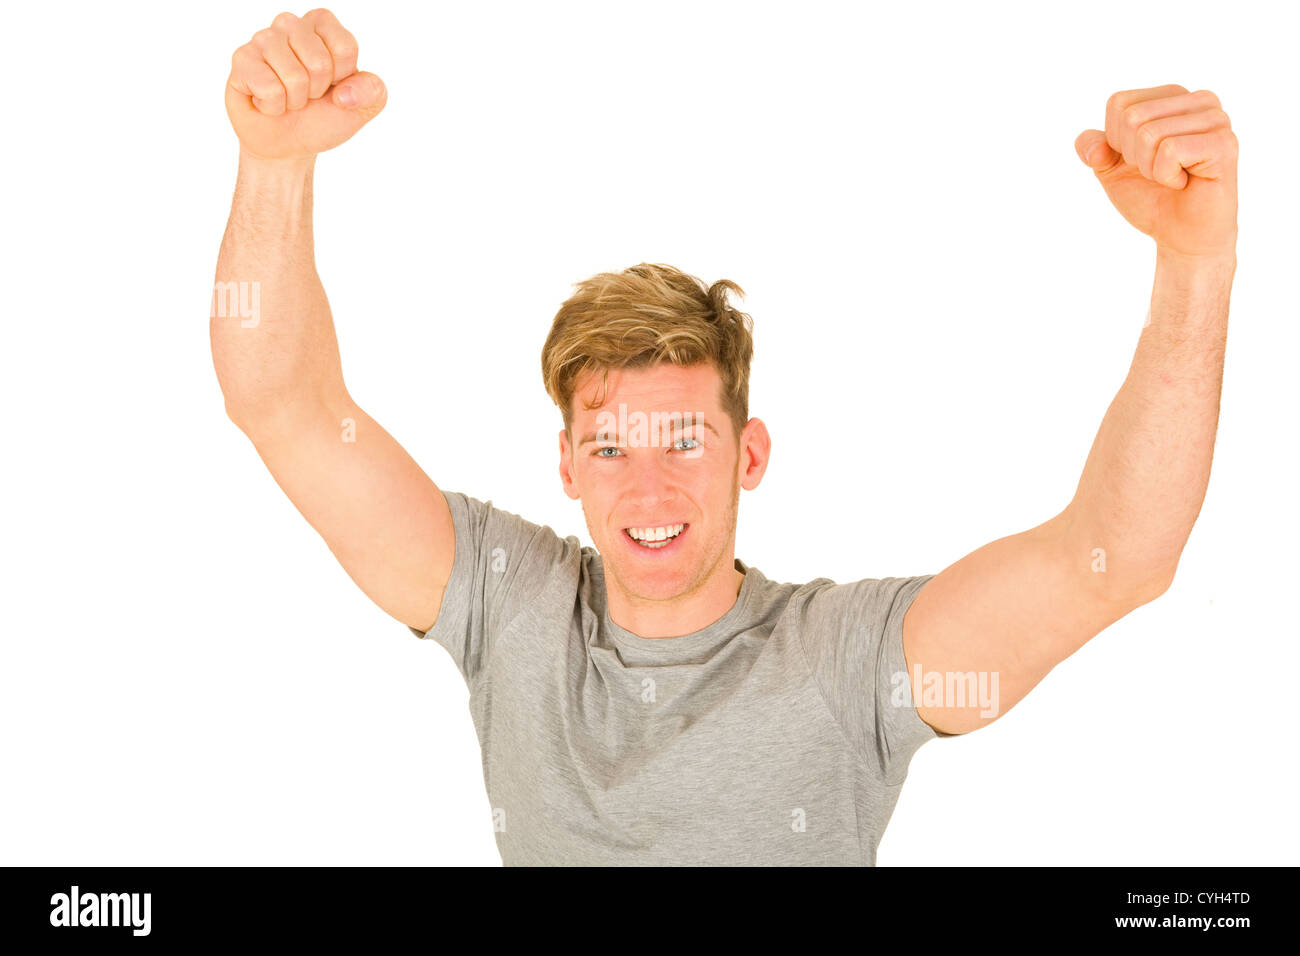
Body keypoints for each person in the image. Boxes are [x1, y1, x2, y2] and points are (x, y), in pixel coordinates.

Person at [211, 10, 1238, 865]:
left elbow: (1119, 555)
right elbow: (281, 402)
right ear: (566, 463)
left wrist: (1194, 266)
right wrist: (271, 161)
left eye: (685, 443)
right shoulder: (505, 604)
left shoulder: (846, 665)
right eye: (611, 448)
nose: (648, 491)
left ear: (749, 453)